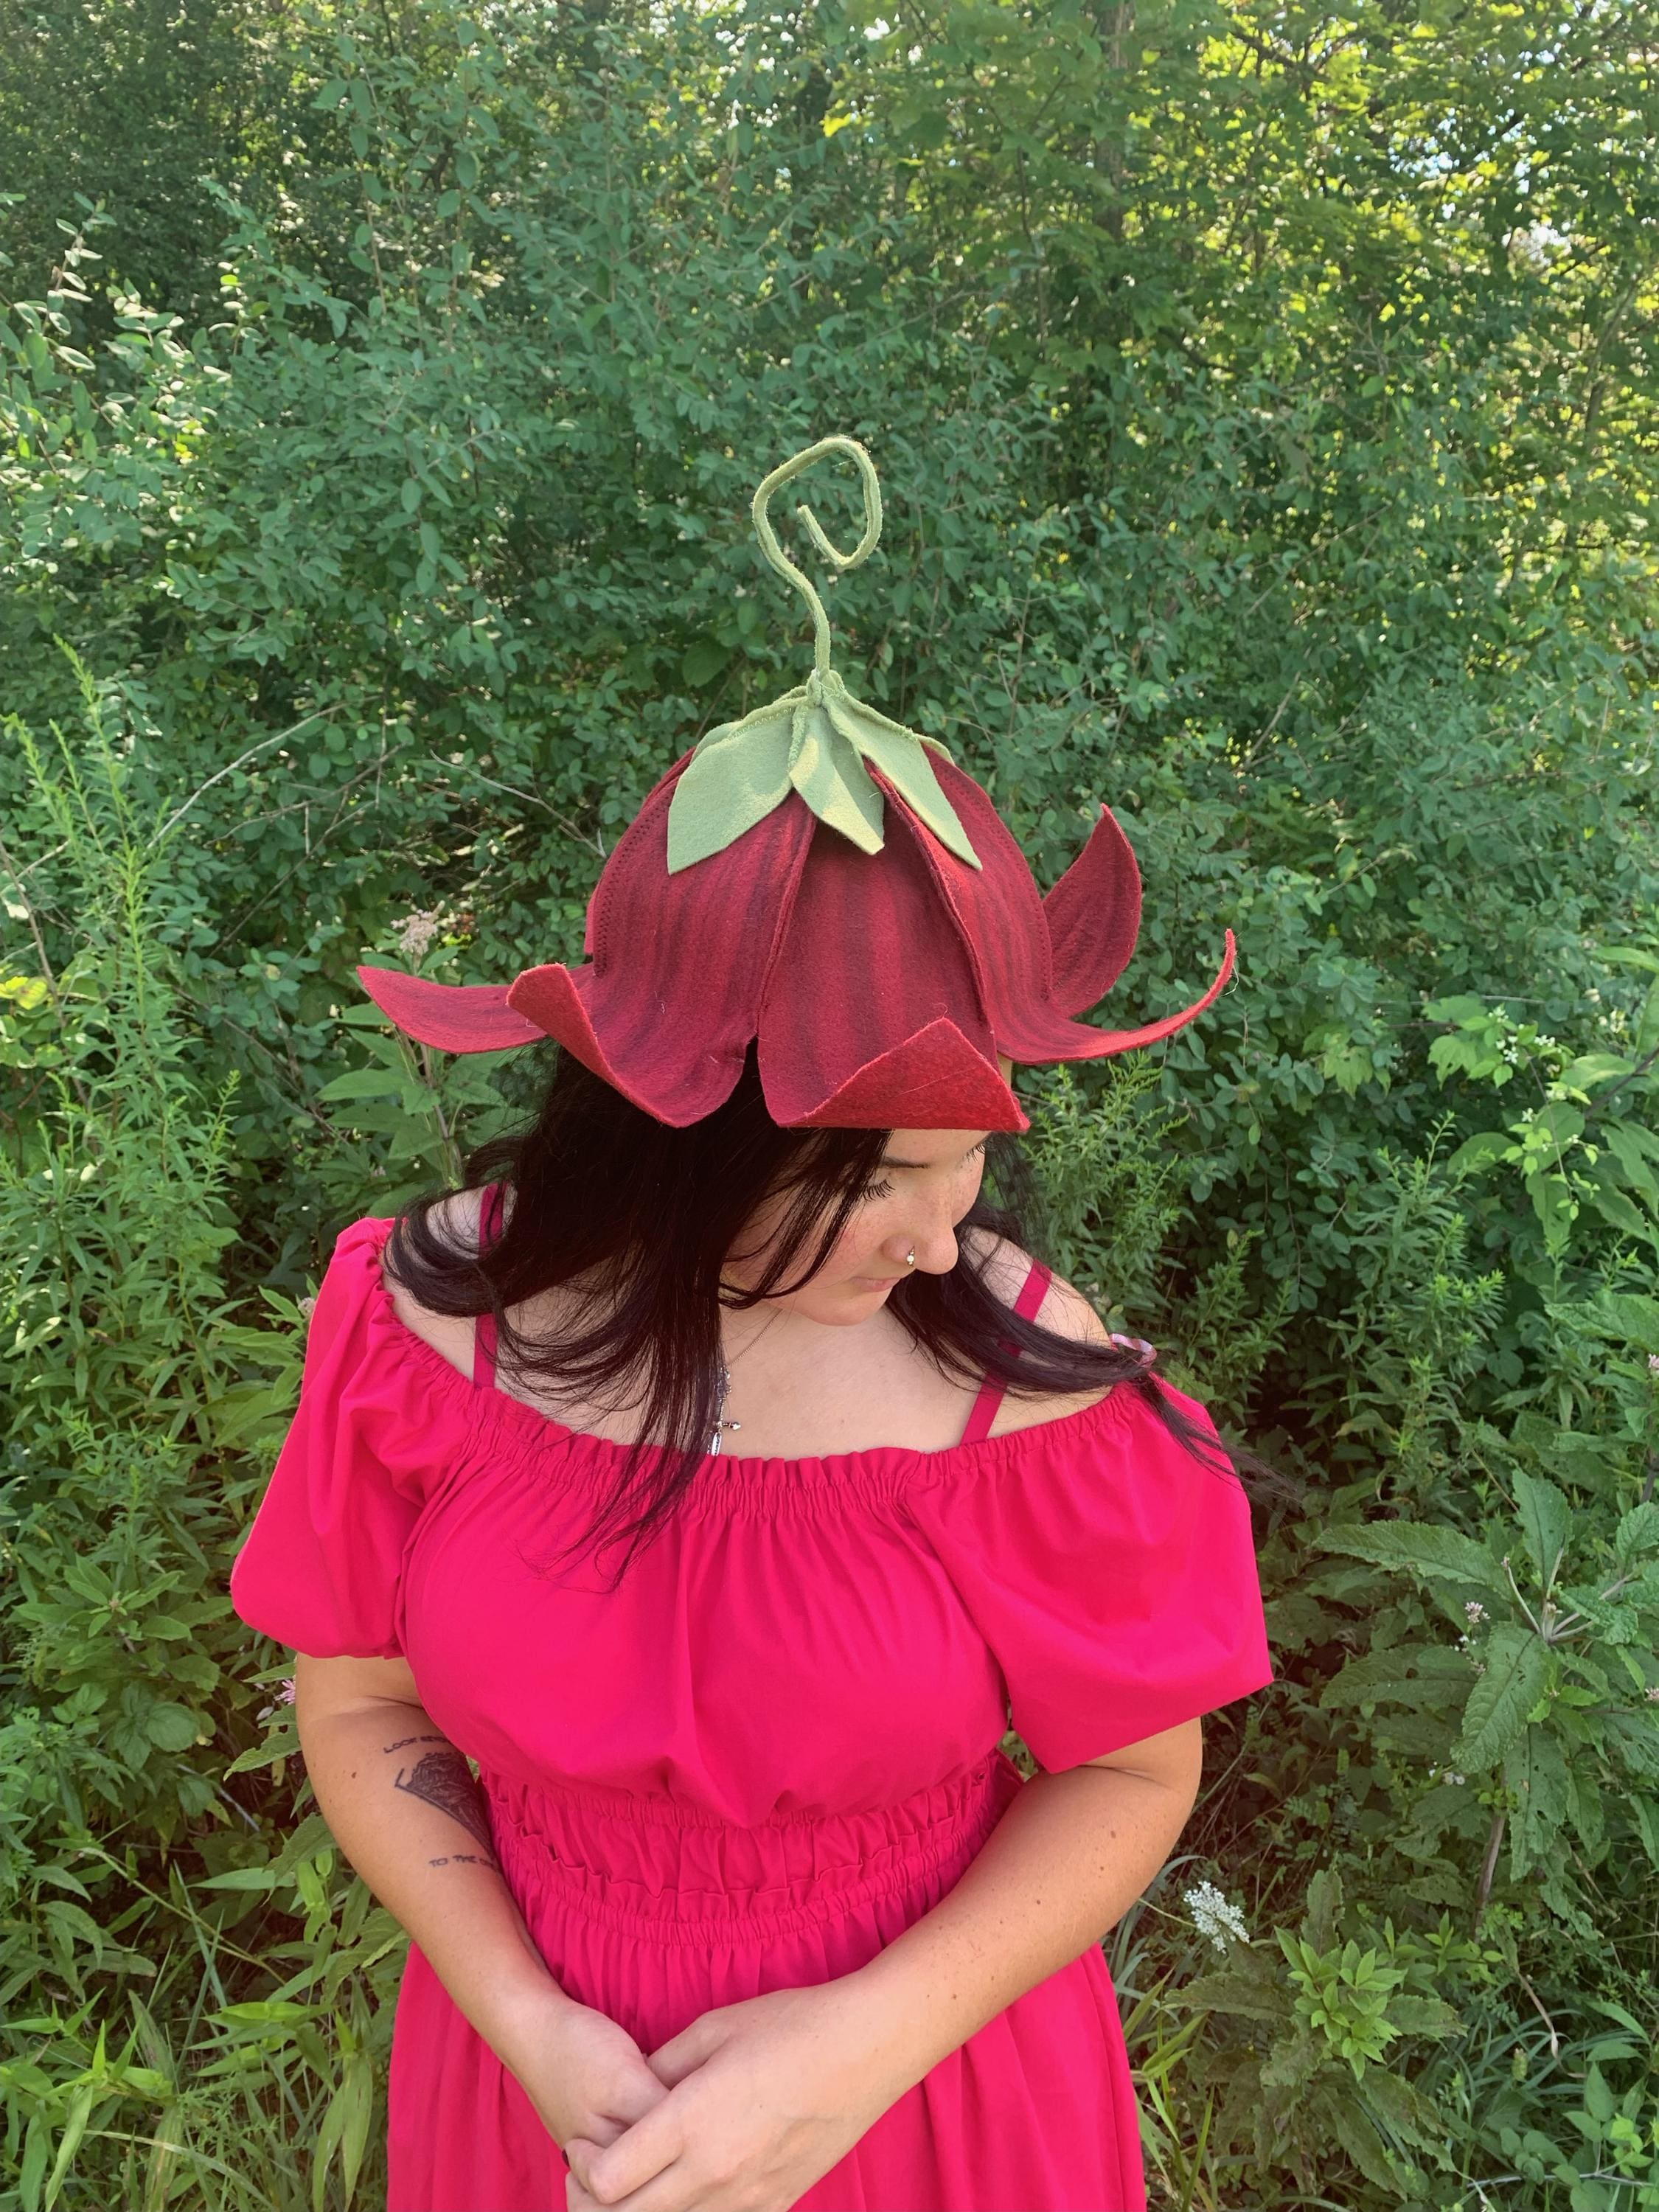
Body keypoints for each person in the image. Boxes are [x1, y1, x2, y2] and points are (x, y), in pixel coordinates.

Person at [231, 437, 1272, 2212]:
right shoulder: (429, 1330)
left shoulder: (1017, 1388)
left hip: (925, 2104)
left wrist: (853, 2054)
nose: (944, 1239)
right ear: (679, 1142)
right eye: (880, 1179)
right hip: (537, 2095)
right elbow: (359, 1696)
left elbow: (1128, 1765)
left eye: (972, 1161)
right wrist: (527, 2024)